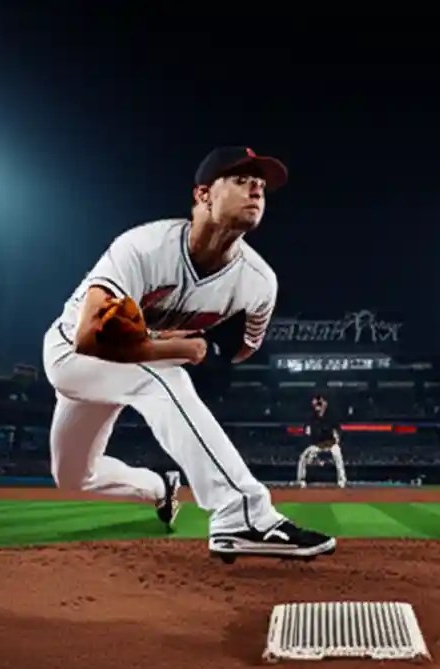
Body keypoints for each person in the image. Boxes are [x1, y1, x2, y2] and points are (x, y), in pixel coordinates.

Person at [41, 146, 337, 560]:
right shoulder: (144, 246)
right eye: (240, 180)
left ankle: (159, 487)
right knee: (163, 374)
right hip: (70, 355)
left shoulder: (258, 283)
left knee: (73, 478)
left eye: (261, 185)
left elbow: (244, 346)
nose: (255, 189)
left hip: (127, 367)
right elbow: (89, 337)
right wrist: (179, 346)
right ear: (203, 195)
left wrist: (214, 355)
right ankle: (241, 513)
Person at [296, 394, 347, 488]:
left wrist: (337, 437)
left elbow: (338, 430)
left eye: (320, 403)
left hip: (330, 444)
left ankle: (342, 480)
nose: (318, 406)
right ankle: (301, 480)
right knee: (303, 457)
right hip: (317, 445)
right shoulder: (311, 418)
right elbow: (307, 433)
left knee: (338, 454)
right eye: (316, 404)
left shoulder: (331, 416)